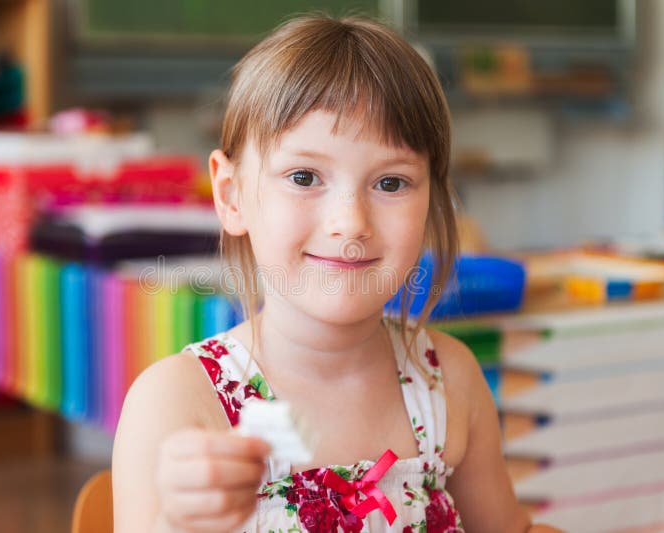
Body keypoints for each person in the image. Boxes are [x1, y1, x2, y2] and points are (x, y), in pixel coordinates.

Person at [113, 14, 563, 533]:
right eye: (304, 177)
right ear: (231, 195)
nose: (350, 221)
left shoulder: (449, 381)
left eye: (391, 183)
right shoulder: (177, 402)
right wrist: (177, 521)